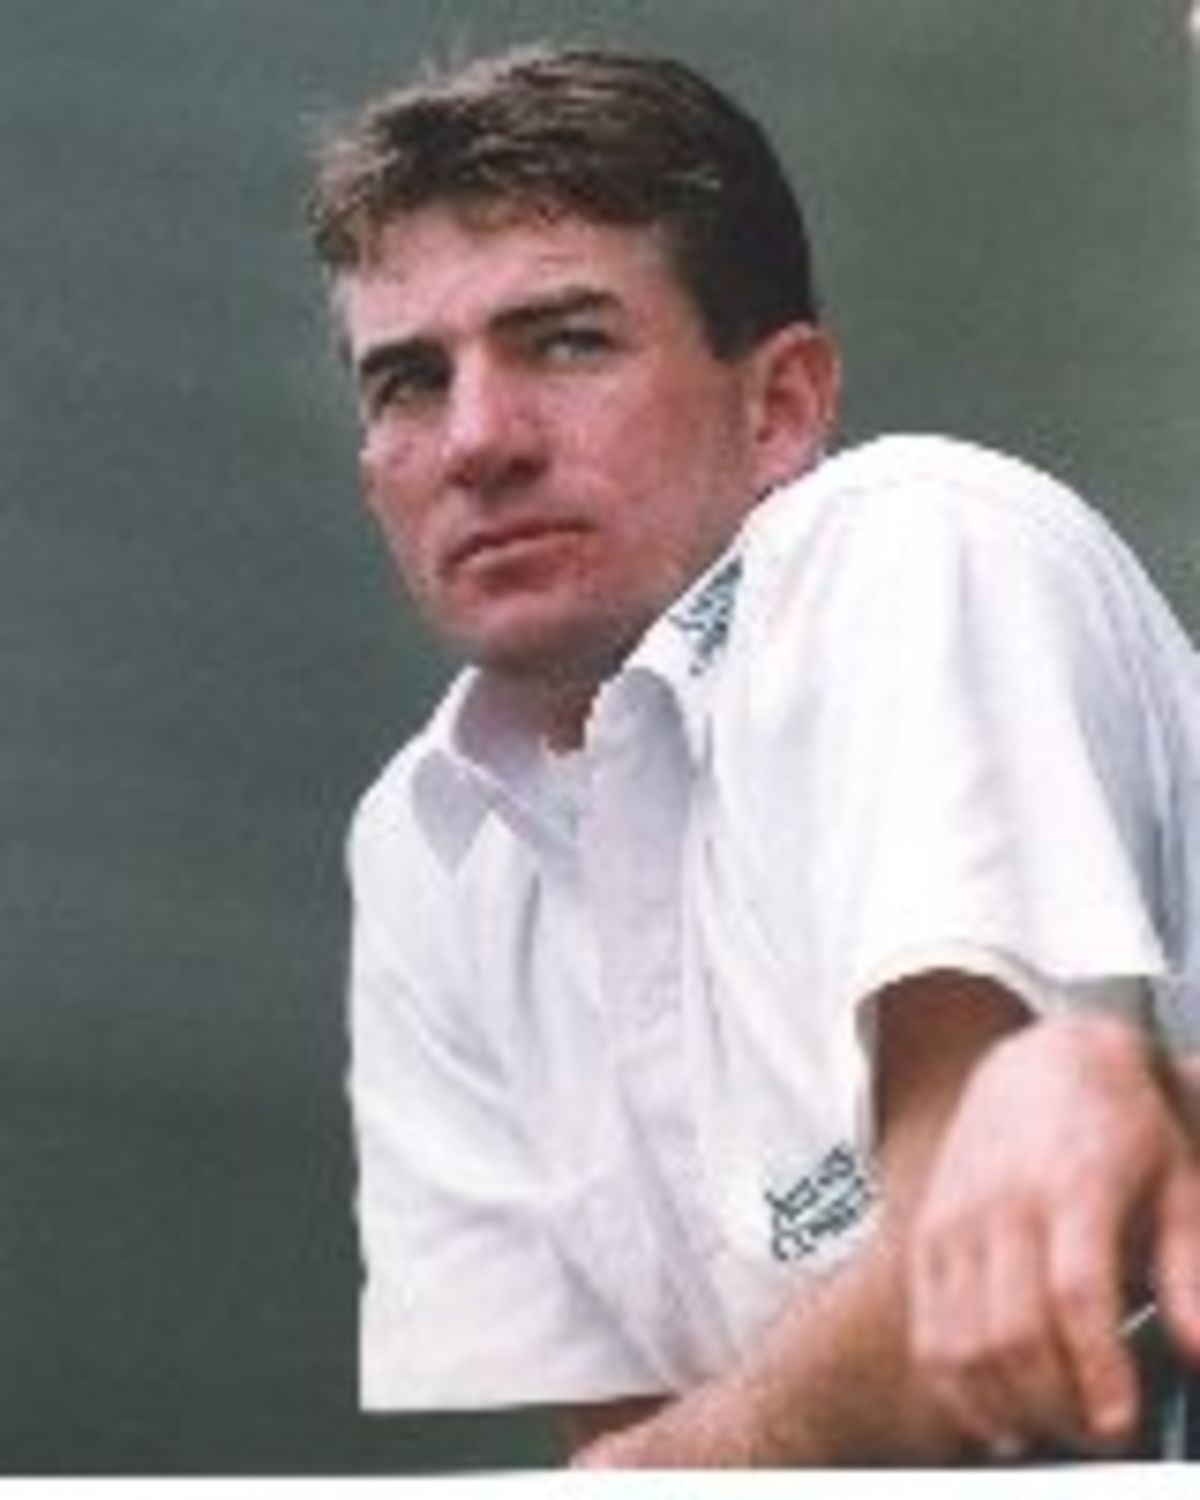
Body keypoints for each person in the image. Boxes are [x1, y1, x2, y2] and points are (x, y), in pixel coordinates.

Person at [305, 43, 1200, 1465]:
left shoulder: (911, 544)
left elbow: (989, 1316)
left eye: (567, 340)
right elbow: (634, 1450)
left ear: (780, 404)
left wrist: (668, 1461)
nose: (478, 440)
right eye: (410, 381)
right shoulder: (423, 842)